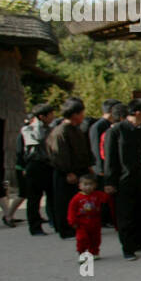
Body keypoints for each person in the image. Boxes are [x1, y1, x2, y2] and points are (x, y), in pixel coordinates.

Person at [103, 98, 141, 262]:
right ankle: (128, 247)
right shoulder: (116, 130)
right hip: (124, 179)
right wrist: (109, 181)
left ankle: (140, 241)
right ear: (138, 112)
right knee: (126, 214)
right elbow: (110, 158)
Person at [46, 98, 95, 238]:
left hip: (80, 170)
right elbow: (59, 153)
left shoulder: (76, 129)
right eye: (81, 113)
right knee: (66, 202)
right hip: (67, 172)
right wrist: (67, 171)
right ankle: (66, 229)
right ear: (74, 114)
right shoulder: (60, 131)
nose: (83, 116)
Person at [19, 104, 56, 236]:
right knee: (34, 198)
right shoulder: (28, 129)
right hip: (35, 165)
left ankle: (55, 222)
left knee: (52, 195)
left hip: (49, 165)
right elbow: (38, 138)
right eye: (51, 114)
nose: (53, 117)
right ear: (42, 116)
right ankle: (35, 227)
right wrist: (38, 124)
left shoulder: (51, 129)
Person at [67, 173, 111, 259]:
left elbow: (106, 198)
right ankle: (82, 252)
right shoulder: (77, 198)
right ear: (80, 186)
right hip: (82, 223)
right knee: (82, 239)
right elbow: (71, 211)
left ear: (95, 185)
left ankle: (94, 252)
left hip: (95, 222)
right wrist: (72, 221)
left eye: (91, 184)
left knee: (95, 239)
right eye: (85, 184)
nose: (88, 187)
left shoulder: (97, 194)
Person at [88, 99, 120, 176]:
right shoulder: (98, 126)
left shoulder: (113, 124)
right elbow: (95, 147)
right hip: (102, 168)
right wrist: (100, 169)